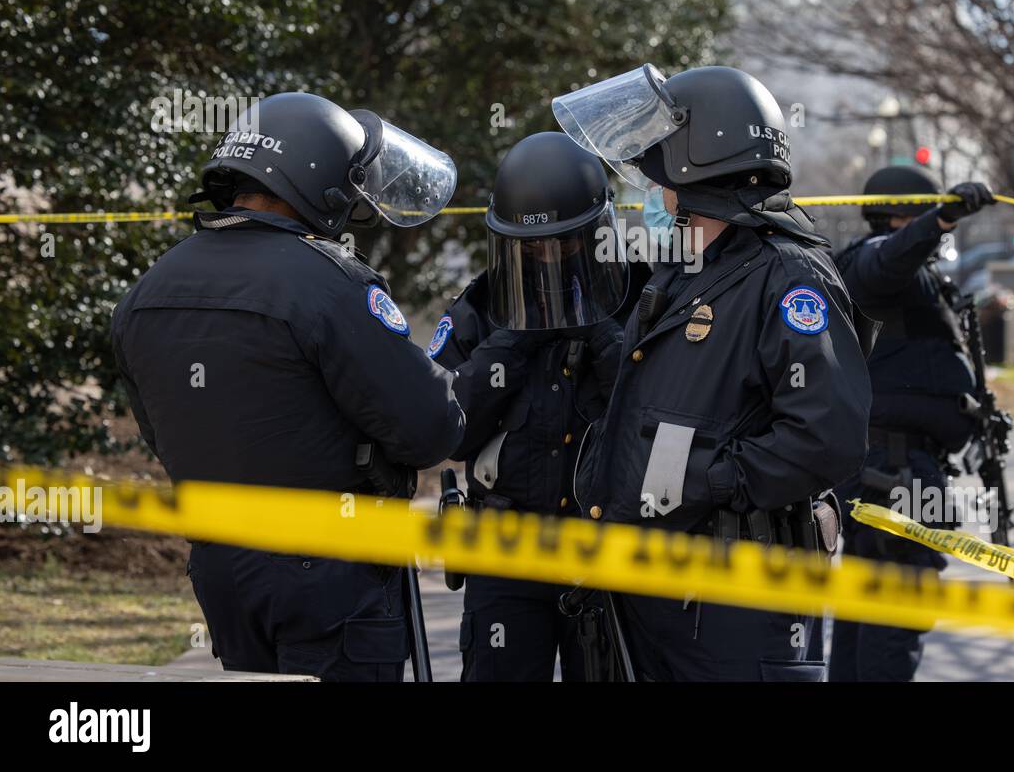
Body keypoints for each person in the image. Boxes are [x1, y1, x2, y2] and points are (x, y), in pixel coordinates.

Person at [112, 91, 464, 681]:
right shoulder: (330, 285)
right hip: (327, 568)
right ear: (318, 183)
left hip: (222, 565)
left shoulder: (147, 291)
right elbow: (431, 430)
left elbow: (162, 431)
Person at [552, 64, 873, 681]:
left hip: (734, 605)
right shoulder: (686, 271)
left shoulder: (787, 276)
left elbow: (827, 437)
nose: (650, 183)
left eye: (657, 163)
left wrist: (711, 478)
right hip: (662, 595)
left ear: (700, 159)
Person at [429, 130, 646, 681]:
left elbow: (658, 419)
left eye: (565, 245)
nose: (548, 259)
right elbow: (443, 429)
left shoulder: (643, 302)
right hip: (506, 551)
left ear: (596, 235)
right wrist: (513, 337)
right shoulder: (478, 309)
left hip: (605, 550)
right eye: (532, 247)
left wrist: (603, 336)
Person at [829, 164, 996, 682]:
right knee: (898, 608)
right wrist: (941, 219)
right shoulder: (870, 260)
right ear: (903, 216)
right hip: (890, 467)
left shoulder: (914, 274)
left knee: (872, 608)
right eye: (923, 216)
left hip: (900, 462)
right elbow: (887, 262)